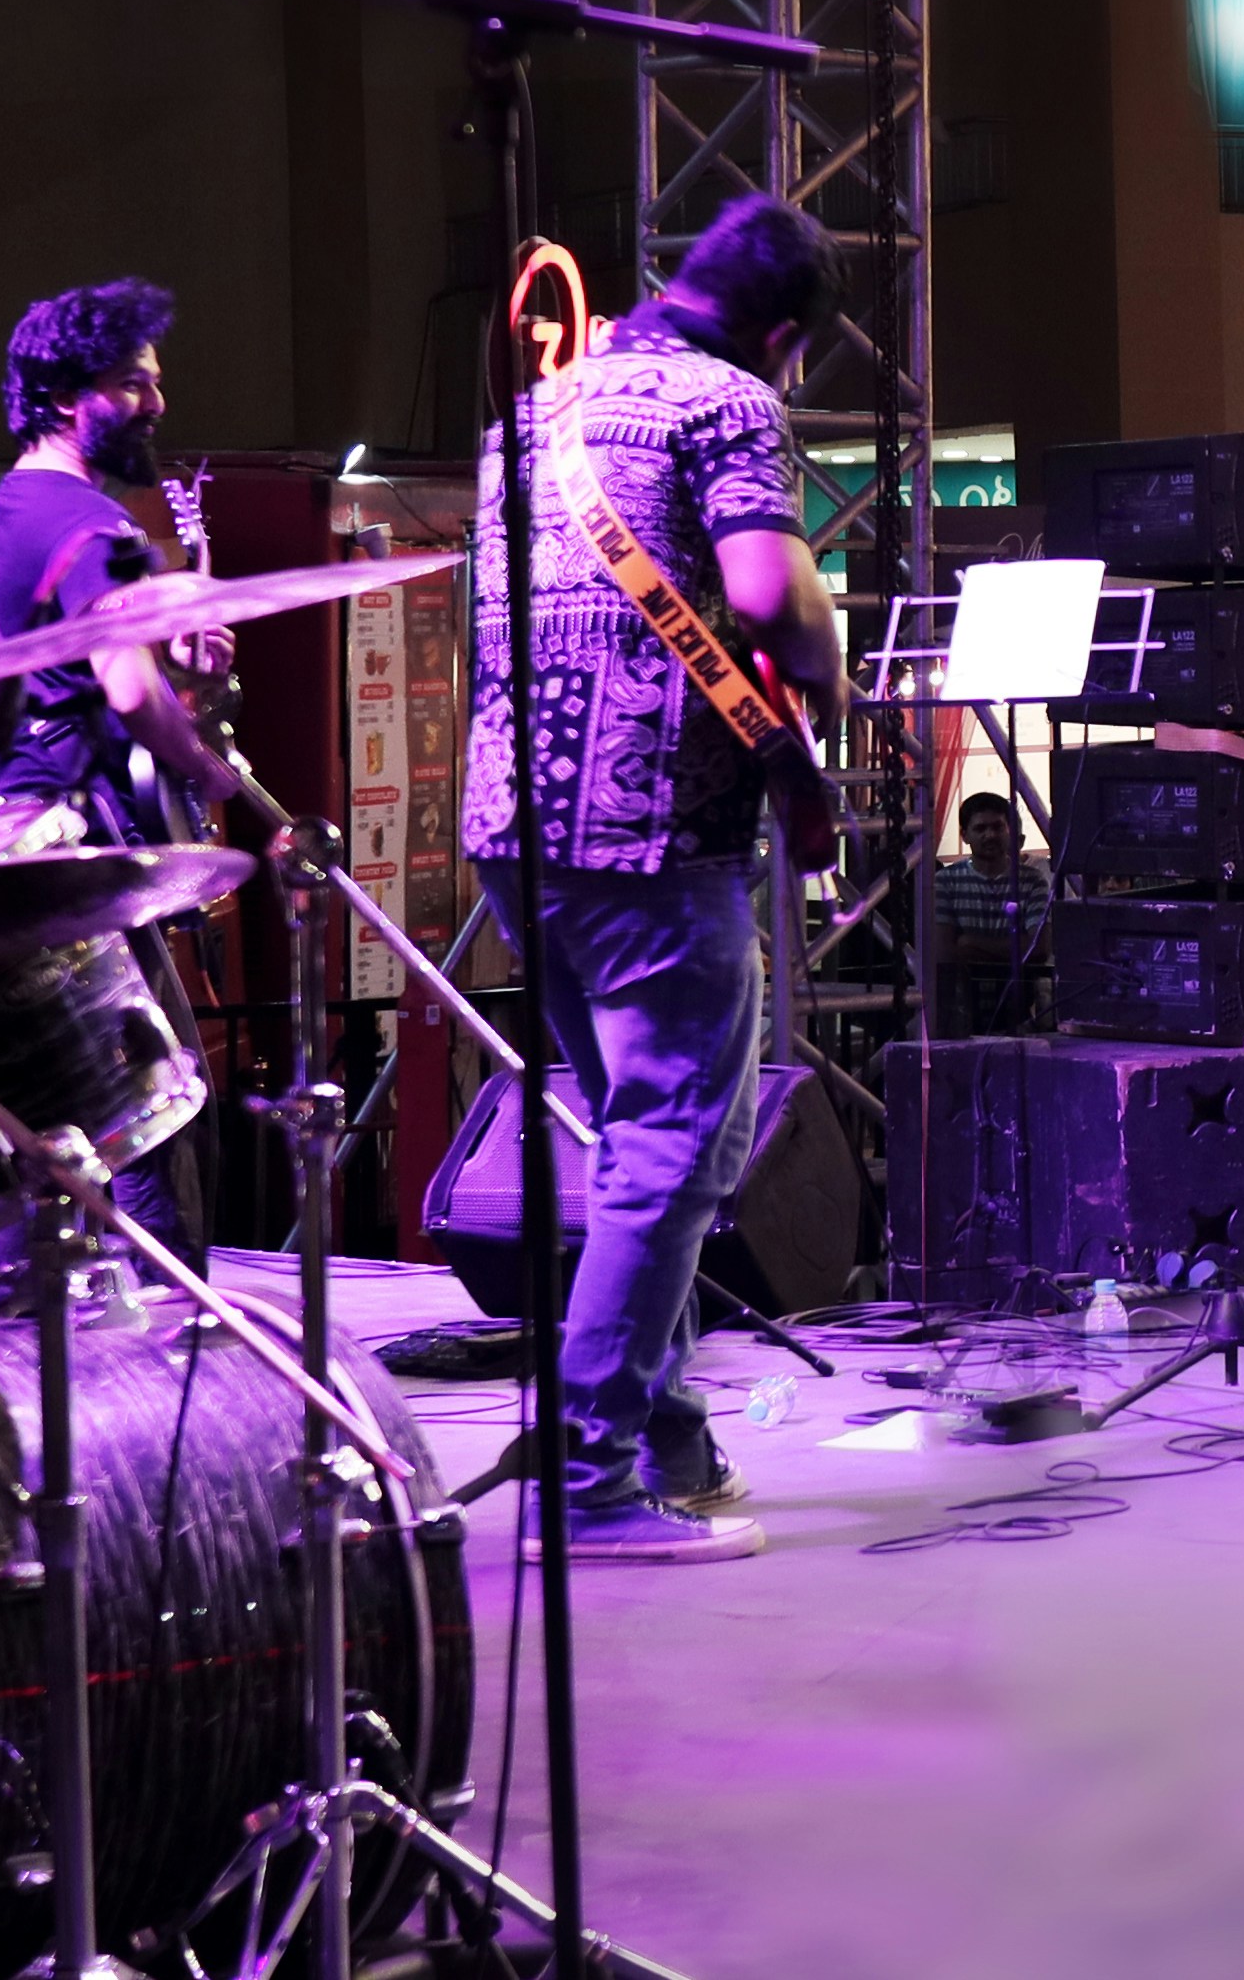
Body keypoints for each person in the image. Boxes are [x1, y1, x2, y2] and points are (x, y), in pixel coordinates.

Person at [460, 194, 844, 1567]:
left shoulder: (534, 414)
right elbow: (767, 597)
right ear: (784, 333)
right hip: (649, 833)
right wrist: (829, 670)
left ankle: (669, 1434)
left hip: (514, 829)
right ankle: (592, 1476)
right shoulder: (728, 402)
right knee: (677, 1146)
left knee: (638, 1144)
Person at [0, 278, 271, 1259]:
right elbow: (126, 692)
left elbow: (64, 680)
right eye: (130, 383)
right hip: (81, 868)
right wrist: (204, 768)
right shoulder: (93, 527)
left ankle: (38, 1356)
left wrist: (185, 663)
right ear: (60, 395)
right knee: (161, 1128)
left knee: (69, 1143)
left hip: (3, 858)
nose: (155, 404)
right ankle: (170, 1367)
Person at [926, 790, 1056, 1037]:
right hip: (959, 1013)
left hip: (1018, 1017)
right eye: (981, 828)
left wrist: (970, 942)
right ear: (965, 835)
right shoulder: (945, 881)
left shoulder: (1032, 881)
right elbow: (945, 953)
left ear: (1010, 831)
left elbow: (1039, 949)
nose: (990, 835)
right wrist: (1012, 950)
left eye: (998, 827)